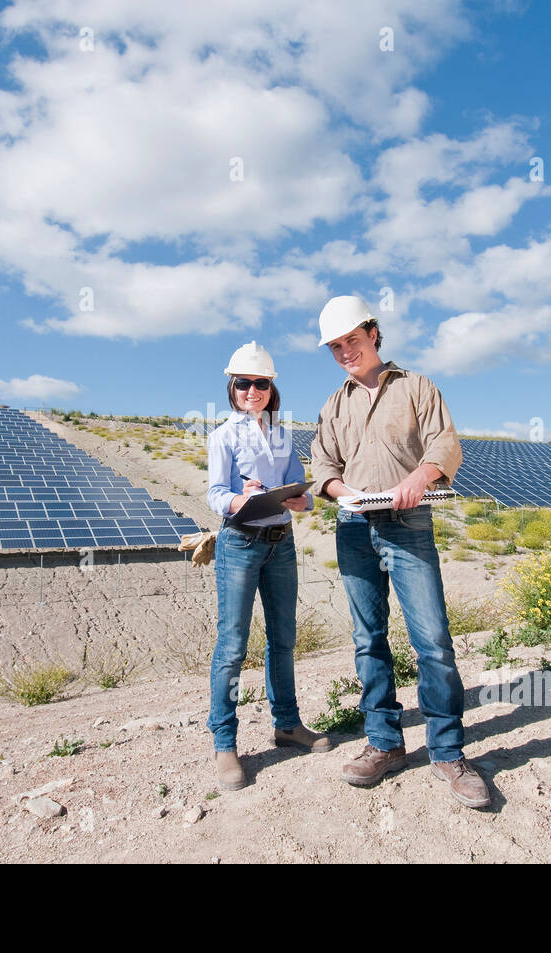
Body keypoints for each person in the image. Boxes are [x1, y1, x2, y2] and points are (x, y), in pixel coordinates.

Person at [309, 296, 491, 809]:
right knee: (368, 639)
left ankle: (447, 752)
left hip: (408, 523)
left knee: (432, 640)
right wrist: (342, 493)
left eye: (351, 339)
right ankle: (384, 743)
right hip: (353, 527)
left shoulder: (416, 387)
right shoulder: (333, 404)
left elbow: (444, 445)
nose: (345, 351)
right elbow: (323, 465)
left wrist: (418, 479)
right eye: (335, 346)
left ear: (373, 332)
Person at [205, 341, 331, 791]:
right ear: (232, 387)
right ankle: (225, 744)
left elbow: (300, 487)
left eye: (261, 383)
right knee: (232, 646)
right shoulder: (222, 436)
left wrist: (301, 499)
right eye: (244, 383)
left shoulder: (281, 434)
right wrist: (240, 498)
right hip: (240, 543)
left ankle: (288, 725)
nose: (252, 391)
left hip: (281, 543)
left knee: (283, 639)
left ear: (272, 388)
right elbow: (215, 494)